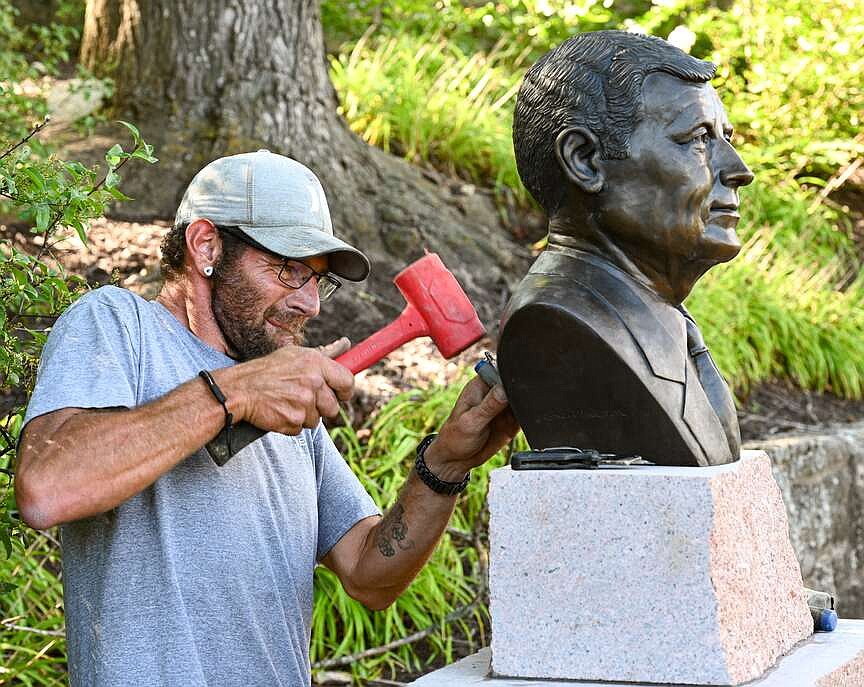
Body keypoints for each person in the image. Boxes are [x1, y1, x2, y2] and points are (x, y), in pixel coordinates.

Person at [15, 150, 518, 686]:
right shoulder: (119, 326)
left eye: (317, 280)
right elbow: (47, 488)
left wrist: (445, 463)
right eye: (289, 270)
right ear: (206, 246)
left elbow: (371, 576)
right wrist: (233, 393)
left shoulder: (283, 398)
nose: (310, 304)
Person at [498, 31, 754, 466]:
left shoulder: (660, 320)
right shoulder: (557, 328)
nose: (738, 170)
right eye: (697, 139)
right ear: (585, 160)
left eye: (725, 138)